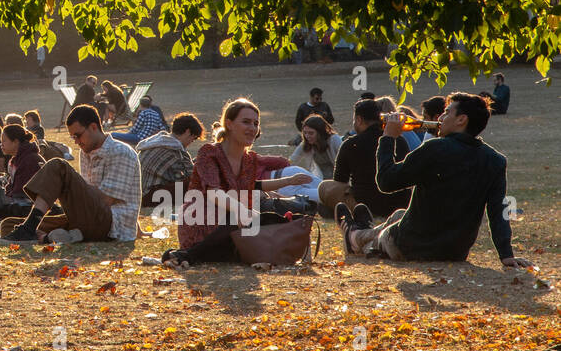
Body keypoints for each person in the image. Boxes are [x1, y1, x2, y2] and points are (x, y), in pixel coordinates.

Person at [336, 93, 528, 270]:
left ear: (461, 120)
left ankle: (354, 237)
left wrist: (387, 138)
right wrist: (506, 254)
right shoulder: (495, 160)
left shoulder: (434, 148)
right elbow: (497, 210)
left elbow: (386, 182)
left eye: (446, 113)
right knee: (399, 215)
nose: (440, 119)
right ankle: (362, 231)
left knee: (382, 238)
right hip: (455, 251)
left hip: (410, 245)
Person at [166, 99, 313, 266]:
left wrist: (288, 181)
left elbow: (253, 186)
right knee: (242, 217)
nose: (252, 128)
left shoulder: (249, 159)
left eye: (256, 123)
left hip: (232, 224)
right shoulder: (209, 153)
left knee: (279, 218)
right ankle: (188, 254)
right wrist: (240, 209)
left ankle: (184, 256)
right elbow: (214, 192)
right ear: (229, 124)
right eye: (246, 122)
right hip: (201, 222)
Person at [0, 104, 141, 246]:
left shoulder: (121, 152)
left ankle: (32, 230)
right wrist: (64, 189)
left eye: (78, 135)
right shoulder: (86, 152)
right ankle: (51, 236)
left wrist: (66, 186)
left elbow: (106, 200)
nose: (77, 142)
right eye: (73, 137)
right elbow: (85, 199)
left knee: (58, 166)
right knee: (8, 226)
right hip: (87, 219)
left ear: (93, 127)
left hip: (110, 226)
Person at [318, 99, 411, 218]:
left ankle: (356, 213)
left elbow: (340, 181)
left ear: (359, 119)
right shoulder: (399, 140)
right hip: (399, 206)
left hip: (367, 206)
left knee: (324, 187)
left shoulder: (351, 144)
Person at [135, 113, 204, 209]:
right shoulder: (175, 150)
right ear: (188, 132)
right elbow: (192, 176)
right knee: (196, 183)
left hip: (139, 193)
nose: (191, 143)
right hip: (150, 196)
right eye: (194, 138)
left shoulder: (156, 142)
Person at [0, 124, 42, 217]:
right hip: (21, 201)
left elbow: (20, 192)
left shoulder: (29, 159)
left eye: (4, 141)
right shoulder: (16, 159)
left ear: (15, 141)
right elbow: (11, 187)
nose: (1, 144)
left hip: (30, 205)